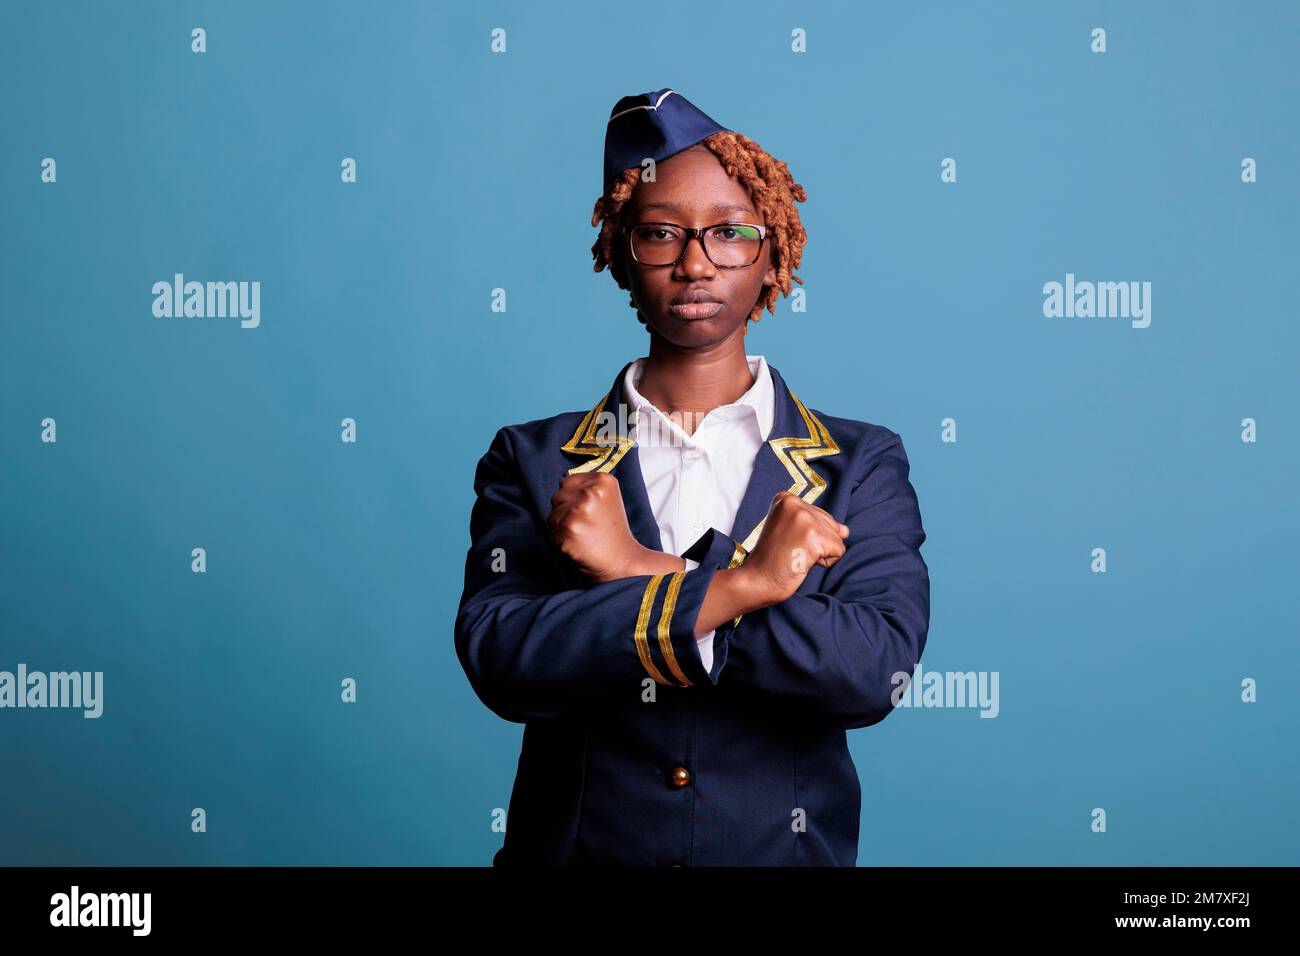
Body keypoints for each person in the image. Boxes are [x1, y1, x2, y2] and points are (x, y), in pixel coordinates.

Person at [455, 88, 930, 866]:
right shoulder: (533, 459)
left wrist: (640, 569)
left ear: (774, 249)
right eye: (661, 233)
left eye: (730, 233)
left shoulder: (859, 462)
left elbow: (876, 671)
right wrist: (741, 586)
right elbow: (503, 660)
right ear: (617, 251)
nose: (696, 261)